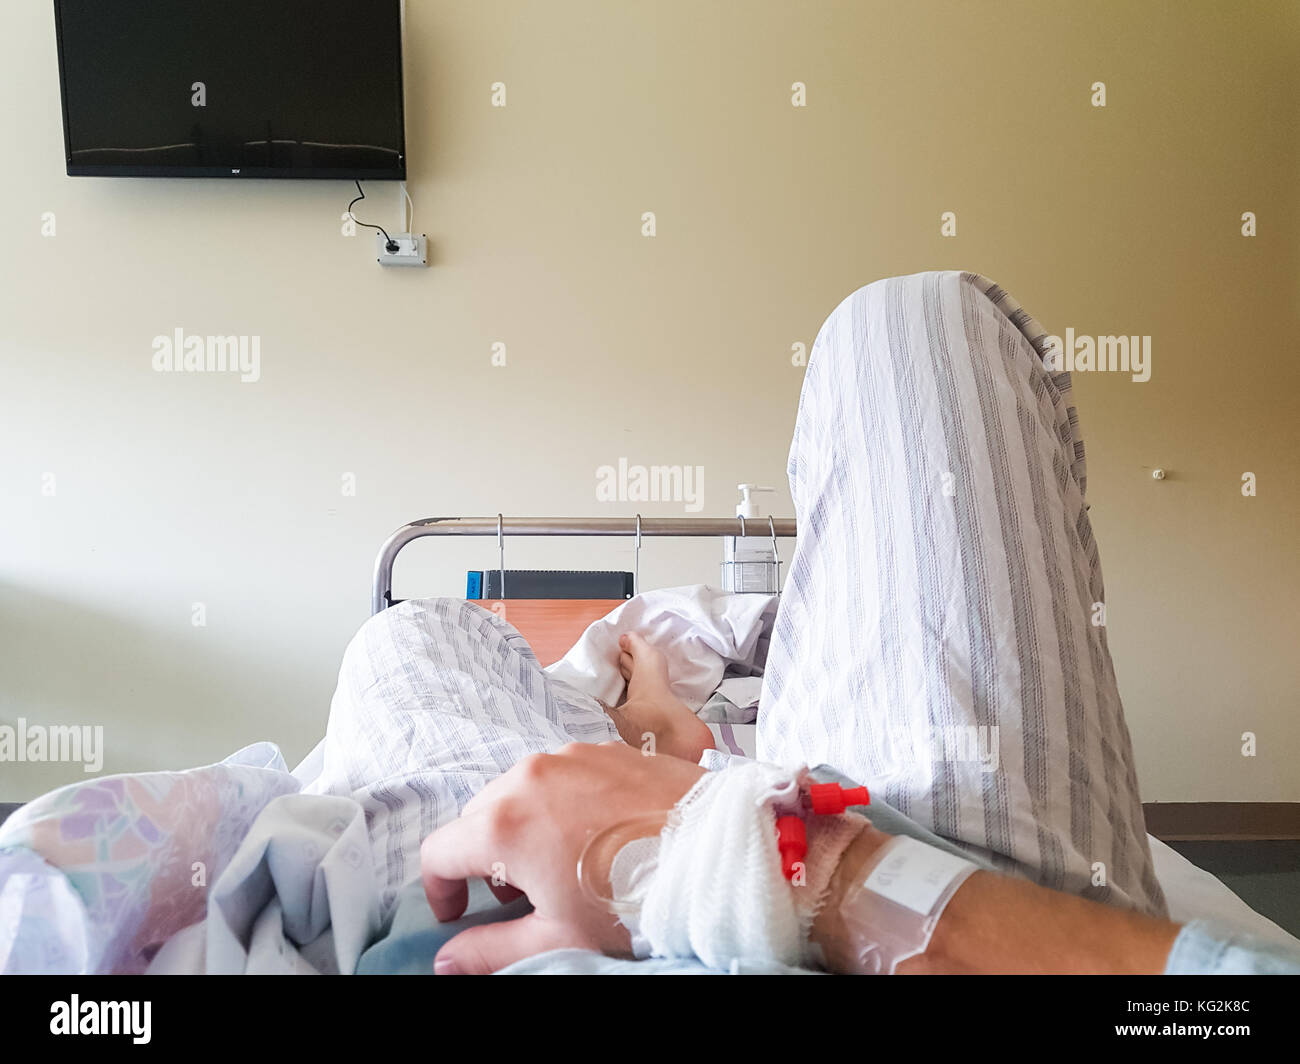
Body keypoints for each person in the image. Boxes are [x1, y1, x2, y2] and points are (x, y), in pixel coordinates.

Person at [322, 272, 1298, 974]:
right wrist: (773, 851)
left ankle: (639, 779)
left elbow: (694, 764)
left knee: (416, 636)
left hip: (479, 925)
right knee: (910, 323)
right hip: (963, 891)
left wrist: (719, 817)